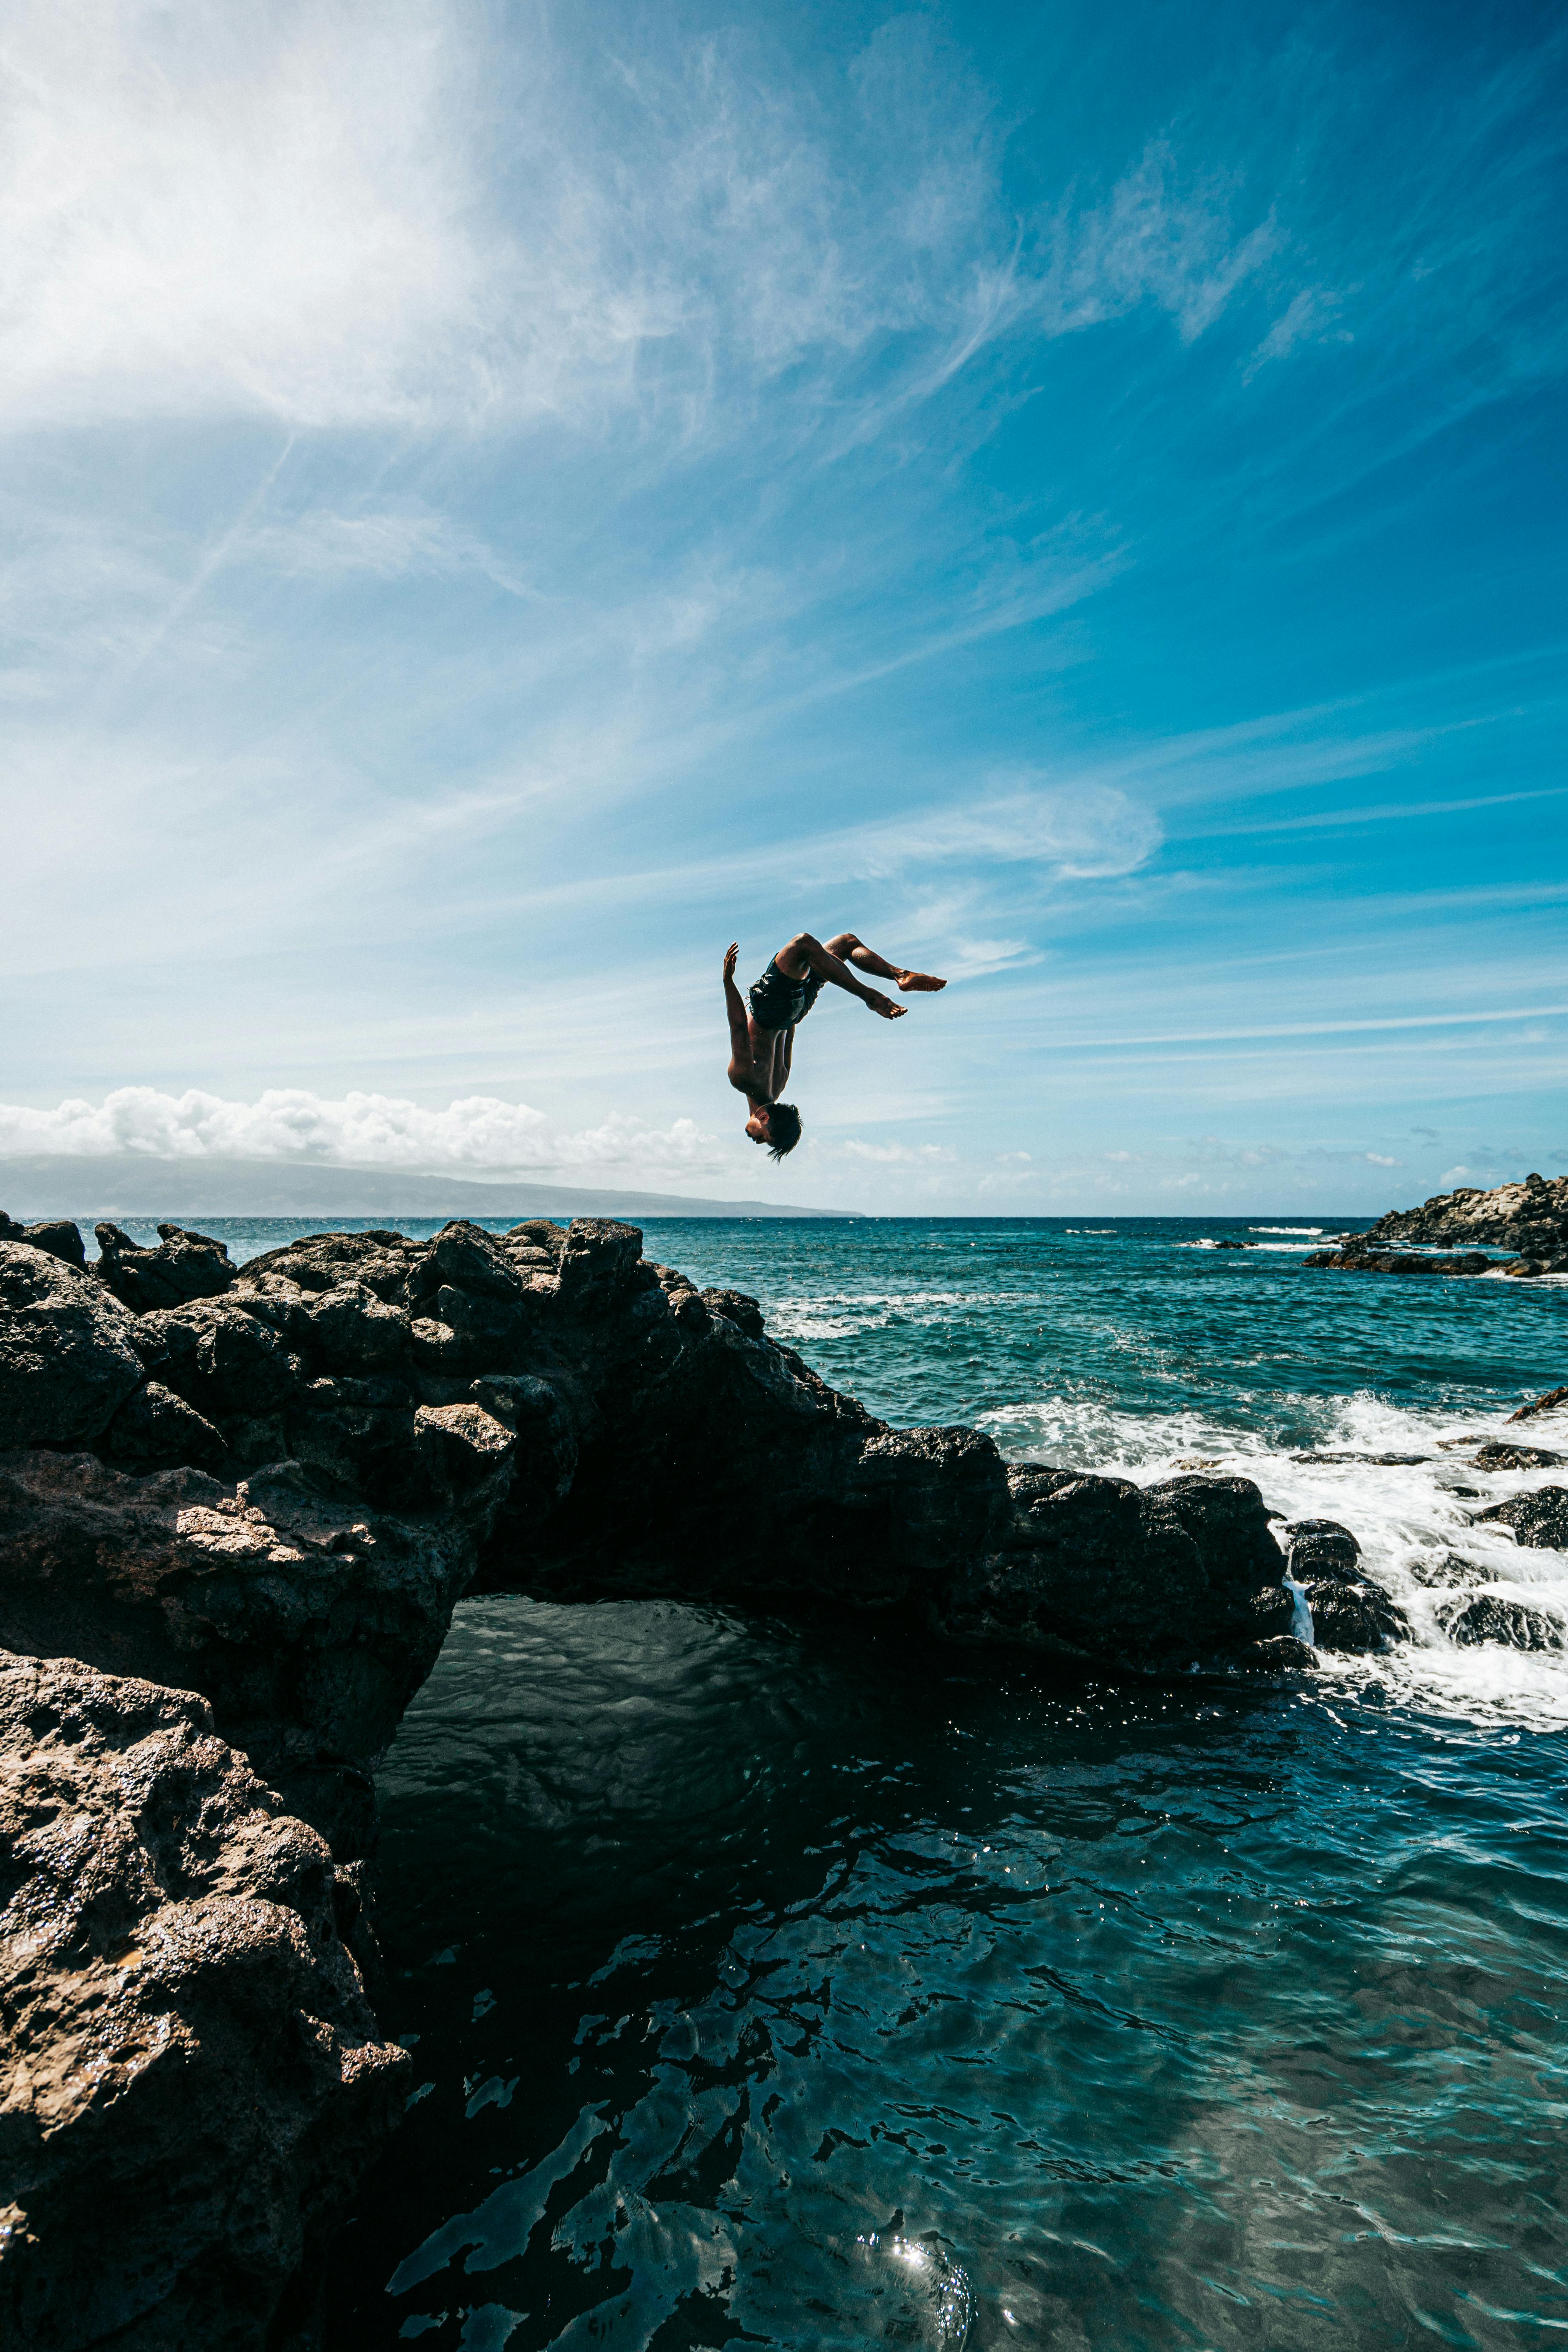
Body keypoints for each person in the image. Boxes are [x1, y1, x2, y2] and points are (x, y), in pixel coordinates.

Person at [723, 931, 946, 1159]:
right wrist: (728, 980)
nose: (758, 1141)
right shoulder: (744, 1080)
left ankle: (901, 975)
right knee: (804, 945)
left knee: (846, 944)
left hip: (794, 1012)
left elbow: (789, 1030)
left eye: (763, 1141)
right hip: (774, 1009)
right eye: (764, 1139)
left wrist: (792, 995)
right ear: (765, 1119)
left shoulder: (778, 1085)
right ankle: (876, 994)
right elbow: (739, 1026)